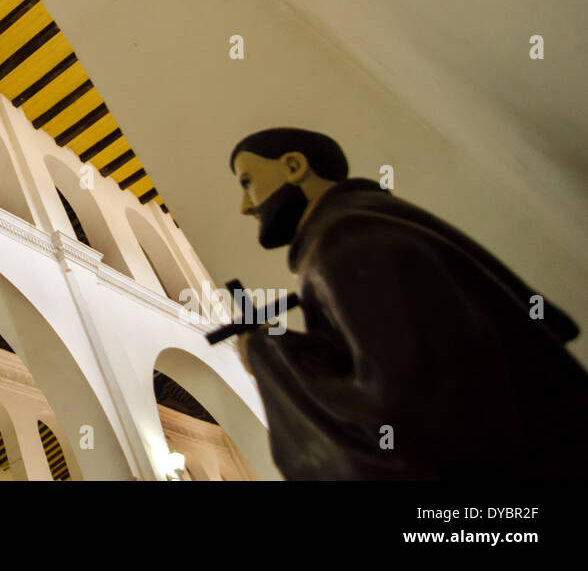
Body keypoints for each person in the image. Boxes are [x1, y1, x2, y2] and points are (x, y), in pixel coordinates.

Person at [229, 127, 588, 479]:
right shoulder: (373, 222)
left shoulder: (346, 243)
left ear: (293, 166)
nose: (246, 207)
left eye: (247, 181)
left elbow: (413, 414)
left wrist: (267, 353)